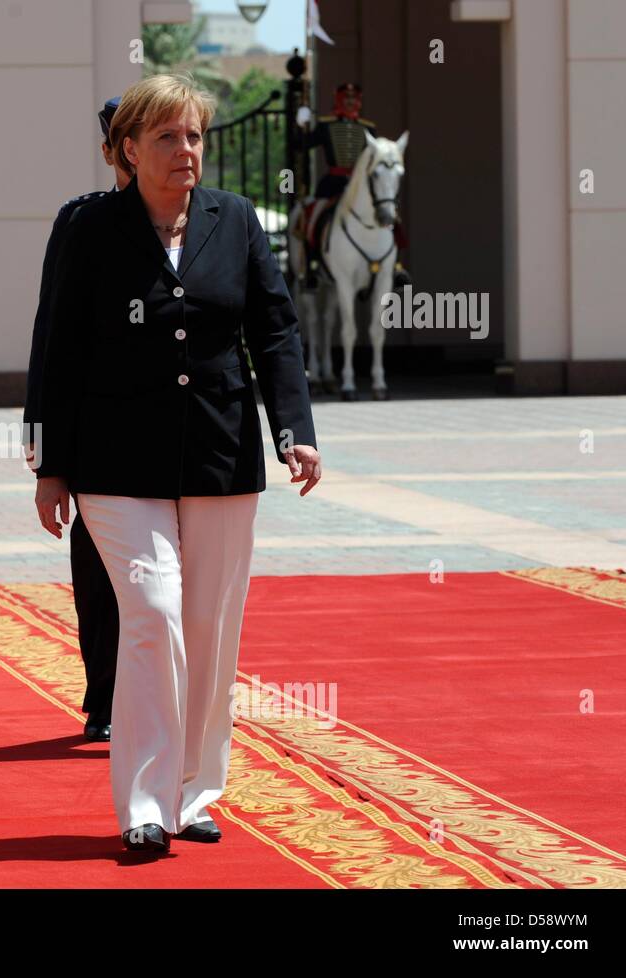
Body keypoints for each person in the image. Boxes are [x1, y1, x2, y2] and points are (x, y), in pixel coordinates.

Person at [34, 75, 321, 854]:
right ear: (129, 148)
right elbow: (59, 345)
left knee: (211, 626)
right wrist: (49, 464)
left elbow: (274, 330)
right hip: (115, 461)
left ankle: (197, 793)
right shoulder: (94, 229)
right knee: (155, 614)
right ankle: (143, 807)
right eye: (166, 137)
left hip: (222, 453)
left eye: (193, 136)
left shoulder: (236, 224)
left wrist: (292, 427)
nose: (185, 151)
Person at [23, 97, 130, 742]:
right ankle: (107, 700)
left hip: (180, 440)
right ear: (111, 149)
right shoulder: (81, 221)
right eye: (122, 138)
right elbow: (51, 340)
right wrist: (48, 461)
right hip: (98, 439)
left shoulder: (203, 218)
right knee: (98, 581)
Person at [295, 82, 409, 287]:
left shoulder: (368, 127)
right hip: (332, 183)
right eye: (346, 98)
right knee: (313, 216)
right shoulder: (326, 124)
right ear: (339, 100)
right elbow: (301, 146)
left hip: (360, 186)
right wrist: (300, 125)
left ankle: (396, 267)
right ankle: (312, 265)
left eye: (354, 98)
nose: (350, 102)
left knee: (392, 217)